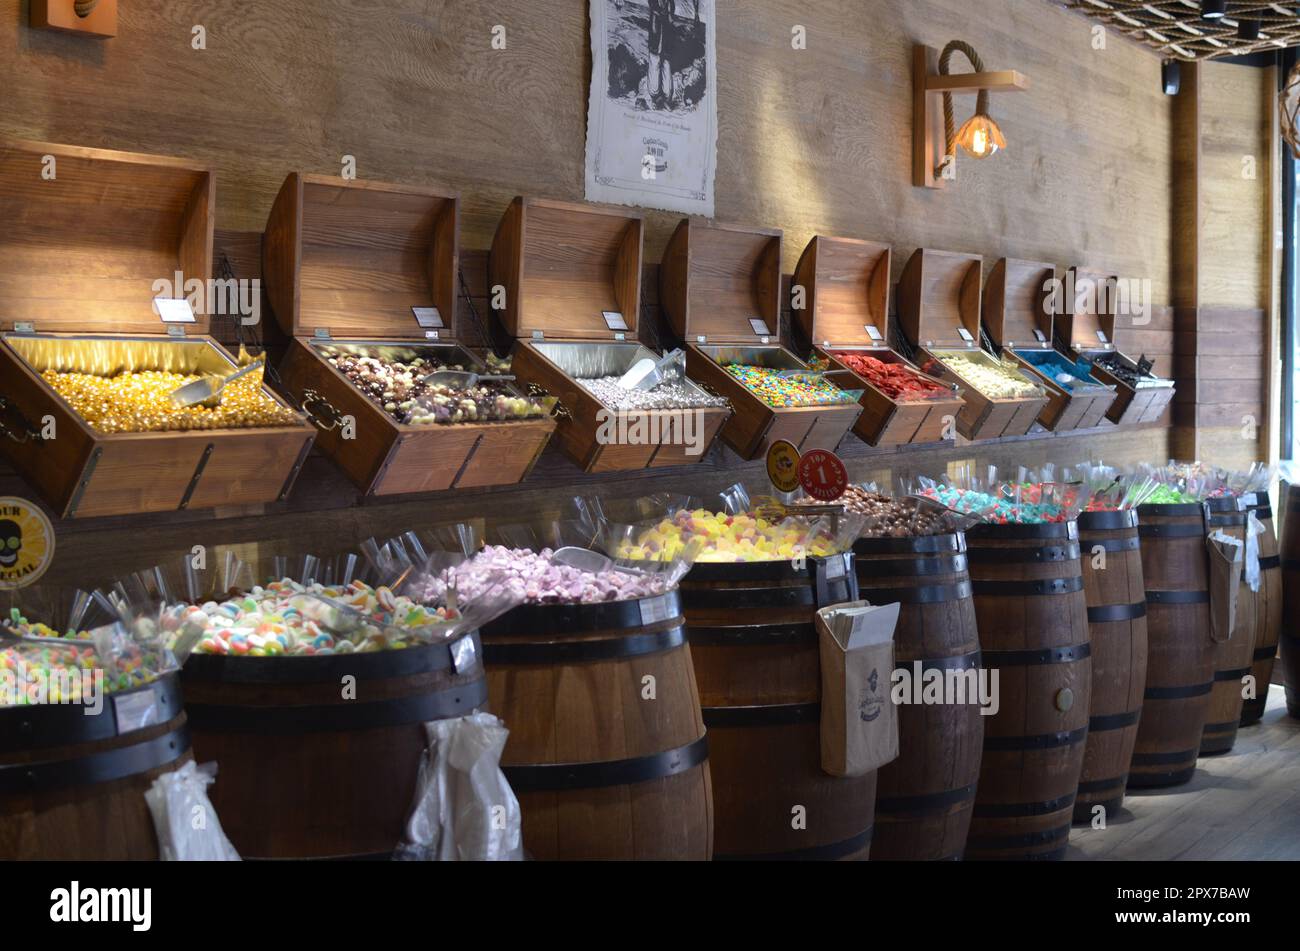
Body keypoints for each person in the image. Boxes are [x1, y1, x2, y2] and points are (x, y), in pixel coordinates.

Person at [647, 0, 674, 109]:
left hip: (666, 30)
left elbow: (671, 9)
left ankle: (667, 98)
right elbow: (653, 5)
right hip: (656, 26)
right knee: (654, 62)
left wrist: (670, 14)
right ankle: (655, 97)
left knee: (666, 64)